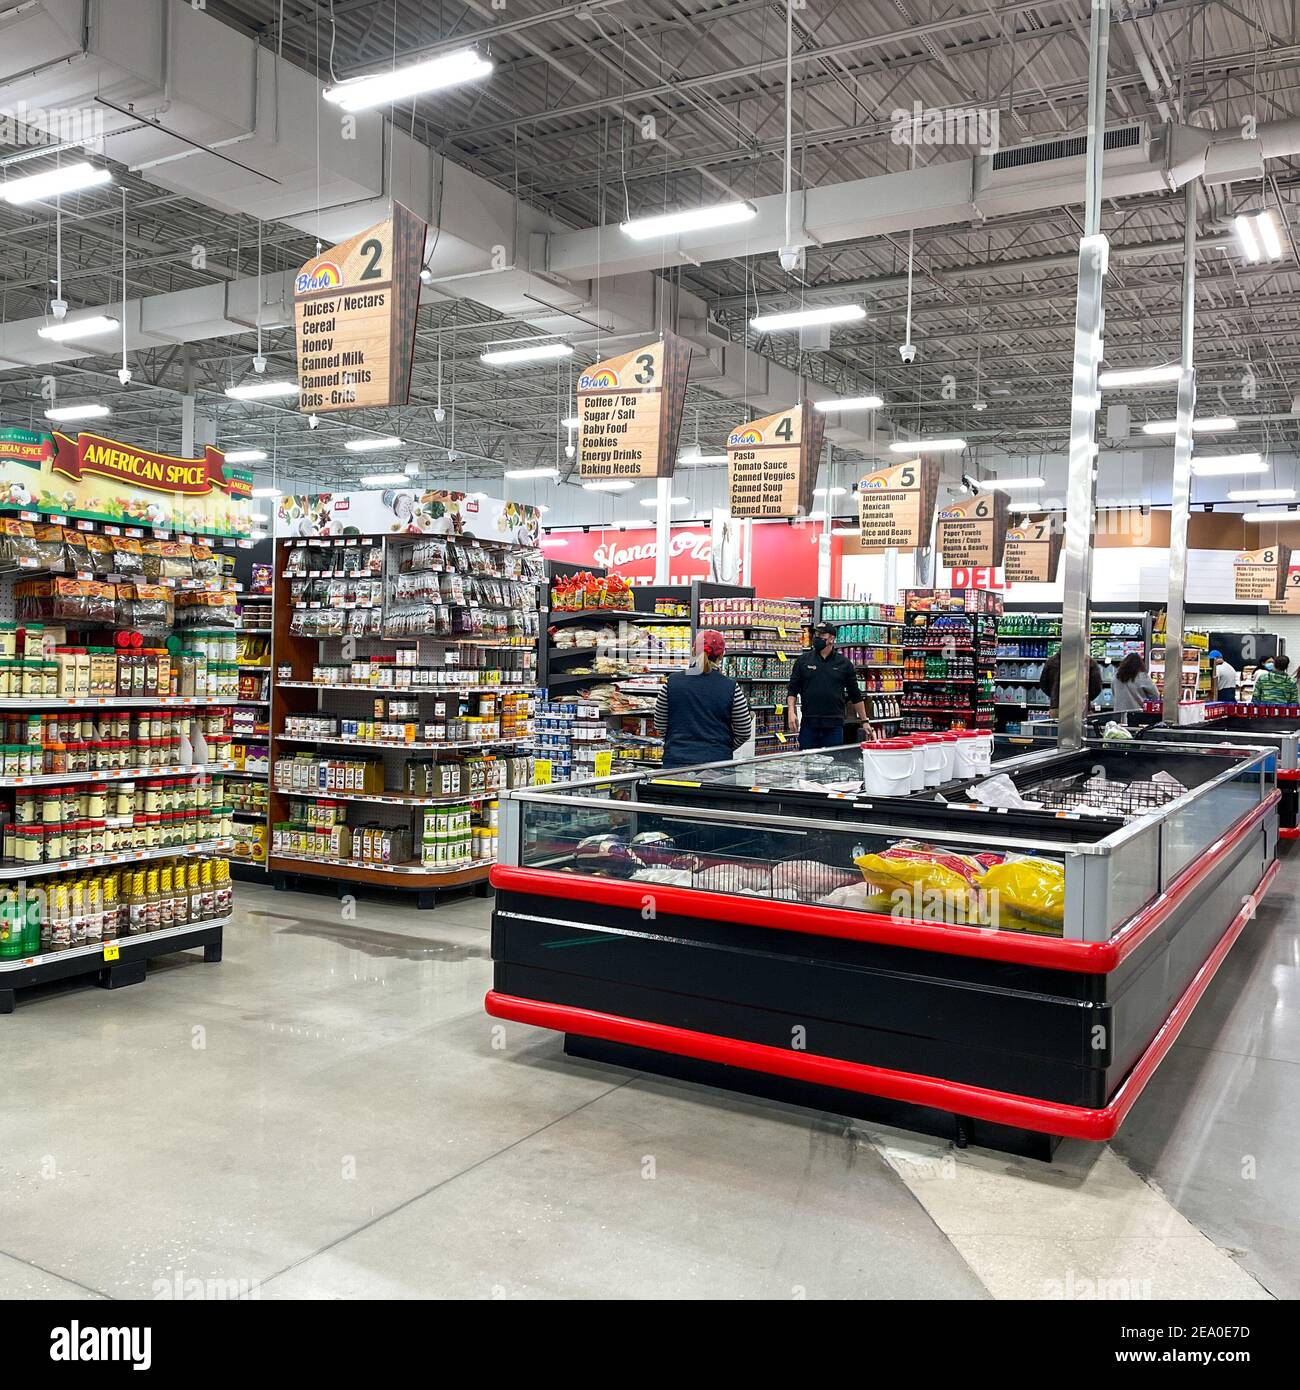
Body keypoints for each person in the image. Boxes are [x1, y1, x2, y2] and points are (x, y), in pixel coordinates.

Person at [654, 629, 753, 768]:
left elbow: (659, 725)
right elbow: (744, 731)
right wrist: (723, 747)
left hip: (676, 763)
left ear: (694, 650)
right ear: (722, 655)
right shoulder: (731, 687)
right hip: (717, 764)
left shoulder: (671, 683)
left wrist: (677, 744)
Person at [787, 622, 871, 748]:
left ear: (831, 639)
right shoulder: (802, 661)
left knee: (833, 763)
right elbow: (792, 690)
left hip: (834, 725)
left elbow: (855, 694)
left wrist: (864, 721)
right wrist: (791, 712)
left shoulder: (844, 664)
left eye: (821, 635)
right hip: (809, 723)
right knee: (807, 764)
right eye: (816, 634)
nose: (817, 637)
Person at [1038, 650, 1103, 714]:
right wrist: (1086, 697)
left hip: (1057, 706)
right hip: (1081, 706)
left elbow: (1043, 683)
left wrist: (1054, 695)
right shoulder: (1089, 661)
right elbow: (1097, 686)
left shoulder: (1051, 661)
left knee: (1057, 724)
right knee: (1081, 724)